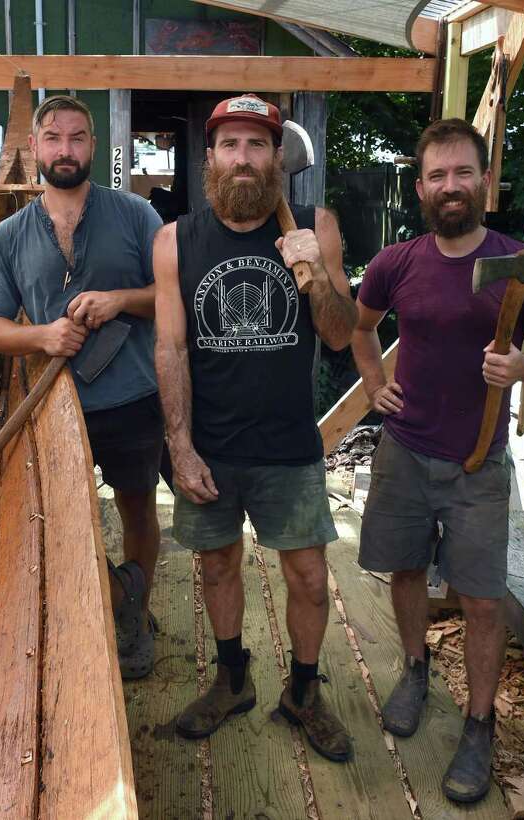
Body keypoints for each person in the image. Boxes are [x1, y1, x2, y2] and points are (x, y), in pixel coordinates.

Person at [351, 117, 524, 803]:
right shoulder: (397, 263)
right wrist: (371, 383)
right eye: (437, 174)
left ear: (485, 182)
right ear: (421, 187)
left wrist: (523, 366)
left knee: (480, 598)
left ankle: (479, 724)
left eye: (462, 172)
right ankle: (415, 670)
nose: (451, 185)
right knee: (407, 569)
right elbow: (361, 329)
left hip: (480, 464)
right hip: (404, 453)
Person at [153, 94, 358, 762]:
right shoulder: (175, 241)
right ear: (210, 158)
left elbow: (339, 336)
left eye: (258, 145)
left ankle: (303, 690)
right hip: (210, 447)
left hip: (288, 447)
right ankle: (233, 678)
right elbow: (172, 349)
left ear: (277, 159)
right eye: (231, 145)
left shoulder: (317, 227)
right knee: (217, 566)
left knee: (307, 576)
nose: (244, 158)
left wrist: (316, 276)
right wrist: (179, 446)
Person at [0, 95, 164, 679]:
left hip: (132, 398)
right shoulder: (8, 237)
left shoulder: (135, 216)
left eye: (77, 137)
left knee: (136, 505)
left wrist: (120, 300)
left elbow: (172, 296)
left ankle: (135, 612)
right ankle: (101, 597)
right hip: (56, 407)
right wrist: (45, 338)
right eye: (53, 137)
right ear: (35, 149)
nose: (65, 149)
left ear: (94, 148)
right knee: (59, 515)